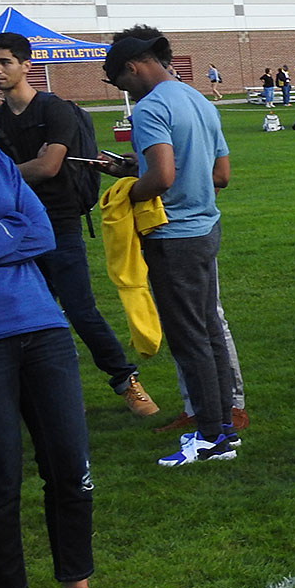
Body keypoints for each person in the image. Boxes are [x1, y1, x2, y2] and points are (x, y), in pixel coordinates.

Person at [0, 144, 134, 588]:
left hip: (42, 327)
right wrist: (10, 234)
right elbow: (23, 231)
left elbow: (42, 230)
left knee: (71, 466)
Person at [0, 33, 157, 417]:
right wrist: (25, 169)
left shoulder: (54, 110)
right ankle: (28, 399)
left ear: (26, 65)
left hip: (59, 224)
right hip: (12, 230)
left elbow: (47, 168)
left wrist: (8, 174)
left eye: (4, 62)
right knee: (21, 317)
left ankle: (125, 380)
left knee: (80, 310)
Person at [99, 26, 239, 466]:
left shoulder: (150, 109)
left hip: (171, 236)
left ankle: (211, 437)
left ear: (133, 67)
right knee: (209, 331)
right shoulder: (197, 99)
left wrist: (125, 191)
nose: (125, 91)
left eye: (120, 82)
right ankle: (224, 429)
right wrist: (132, 166)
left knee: (188, 338)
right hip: (205, 229)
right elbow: (220, 176)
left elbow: (161, 178)